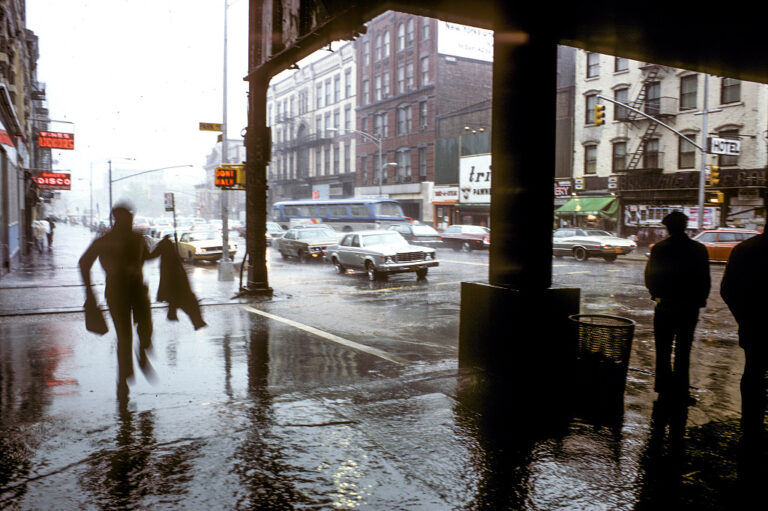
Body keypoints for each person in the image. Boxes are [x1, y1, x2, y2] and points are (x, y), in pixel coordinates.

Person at [79, 200, 155, 401]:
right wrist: (89, 292)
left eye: (131, 218)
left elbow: (147, 257)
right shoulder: (105, 240)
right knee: (125, 337)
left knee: (145, 328)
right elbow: (84, 263)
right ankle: (123, 381)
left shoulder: (138, 239)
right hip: (118, 293)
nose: (129, 221)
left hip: (137, 291)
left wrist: (164, 248)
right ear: (117, 219)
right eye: (126, 218)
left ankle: (142, 351)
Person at [644, 211, 710, 405]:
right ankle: (681, 391)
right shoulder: (698, 249)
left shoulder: (659, 249)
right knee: (684, 349)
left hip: (665, 304)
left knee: (663, 348)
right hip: (689, 306)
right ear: (685, 225)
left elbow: (650, 276)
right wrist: (700, 300)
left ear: (667, 228)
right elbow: (704, 279)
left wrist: (656, 295)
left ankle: (663, 387)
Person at [720, 229, 768, 442]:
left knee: (753, 374)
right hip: (753, 324)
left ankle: (751, 427)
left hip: (754, 327)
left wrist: (745, 319)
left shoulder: (744, 249)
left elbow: (727, 290)